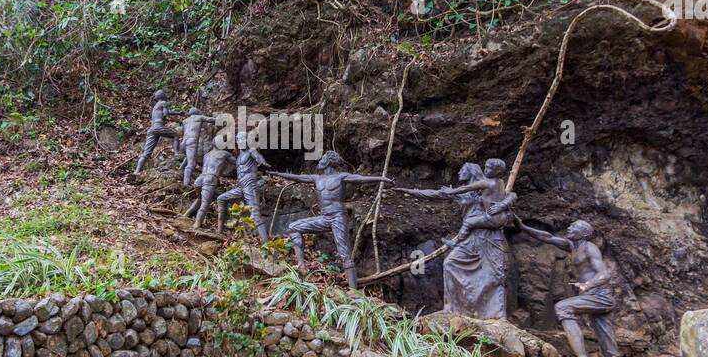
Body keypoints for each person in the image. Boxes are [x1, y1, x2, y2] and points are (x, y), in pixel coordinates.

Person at [396, 159, 514, 319]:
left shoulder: (489, 186)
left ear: (471, 171)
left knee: (494, 275)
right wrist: (410, 191)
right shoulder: (464, 192)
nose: (459, 172)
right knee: (449, 263)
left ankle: (498, 315)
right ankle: (450, 307)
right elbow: (436, 194)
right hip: (469, 239)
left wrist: (502, 206)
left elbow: (511, 202)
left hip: (489, 237)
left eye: (463, 169)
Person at [517, 218, 630, 357]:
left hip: (600, 296)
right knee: (610, 350)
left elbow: (605, 274)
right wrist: (522, 226)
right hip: (592, 297)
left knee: (562, 307)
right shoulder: (571, 246)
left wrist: (587, 285)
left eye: (574, 226)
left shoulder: (590, 248)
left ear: (584, 233)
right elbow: (547, 237)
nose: (569, 227)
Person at [271, 150, 387, 288]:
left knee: (344, 253)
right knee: (293, 227)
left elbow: (360, 179)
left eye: (323, 158)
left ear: (330, 162)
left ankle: (353, 291)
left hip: (338, 217)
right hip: (324, 218)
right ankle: (301, 266)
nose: (320, 161)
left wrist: (382, 179)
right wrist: (277, 173)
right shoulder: (317, 178)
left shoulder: (341, 176)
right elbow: (296, 177)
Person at [215, 132, 271, 242]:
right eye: (239, 139)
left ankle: (266, 245)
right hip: (241, 187)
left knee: (255, 215)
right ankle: (219, 232)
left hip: (250, 185)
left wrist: (263, 162)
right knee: (221, 198)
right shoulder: (239, 156)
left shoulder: (251, 151)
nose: (241, 141)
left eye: (243, 139)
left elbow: (259, 158)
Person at [186, 145, 234, 230]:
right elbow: (238, 163)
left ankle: (186, 215)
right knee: (205, 204)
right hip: (210, 178)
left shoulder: (207, 154)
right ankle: (196, 225)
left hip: (199, 180)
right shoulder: (225, 153)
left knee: (200, 199)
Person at [135, 89, 180, 173]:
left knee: (146, 153)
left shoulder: (155, 106)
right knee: (176, 135)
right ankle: (177, 154)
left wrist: (178, 113)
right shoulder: (164, 103)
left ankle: (137, 171)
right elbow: (166, 113)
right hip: (159, 127)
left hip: (151, 129)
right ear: (163, 96)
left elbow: (165, 112)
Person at [179, 107, 217, 188]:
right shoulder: (199, 117)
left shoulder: (185, 121)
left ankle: (180, 169)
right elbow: (210, 119)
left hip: (183, 142)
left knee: (189, 157)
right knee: (191, 163)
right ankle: (186, 183)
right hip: (192, 141)